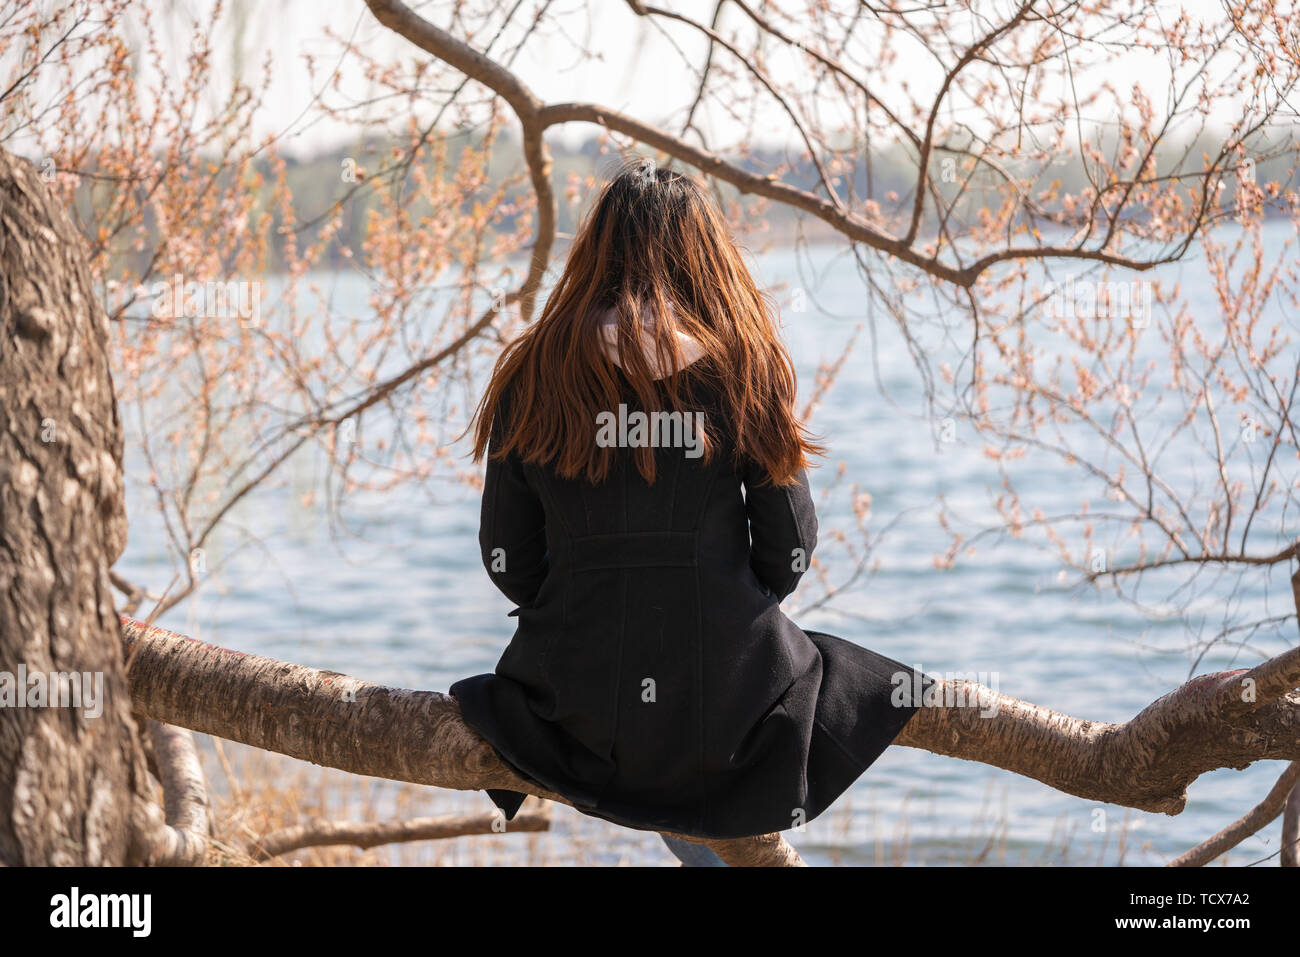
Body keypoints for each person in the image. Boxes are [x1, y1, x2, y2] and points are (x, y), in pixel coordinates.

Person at [451, 159, 930, 866]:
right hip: (721, 696)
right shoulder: (743, 367)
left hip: (574, 700)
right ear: (704, 255)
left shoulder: (532, 372)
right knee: (846, 679)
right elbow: (787, 551)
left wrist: (594, 607)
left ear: (595, 252)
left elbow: (508, 557)